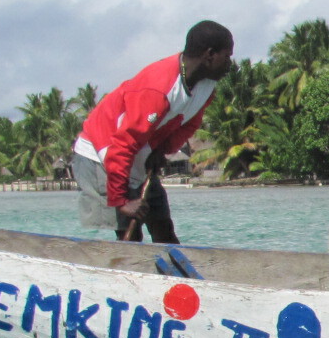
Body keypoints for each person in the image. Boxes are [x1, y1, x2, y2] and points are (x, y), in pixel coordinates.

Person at [72, 20, 234, 243]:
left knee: (163, 229)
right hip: (102, 155)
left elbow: (189, 123)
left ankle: (176, 277)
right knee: (130, 237)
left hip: (138, 155)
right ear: (210, 55)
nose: (230, 64)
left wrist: (161, 151)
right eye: (227, 56)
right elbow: (123, 144)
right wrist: (120, 201)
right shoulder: (158, 89)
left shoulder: (206, 86)